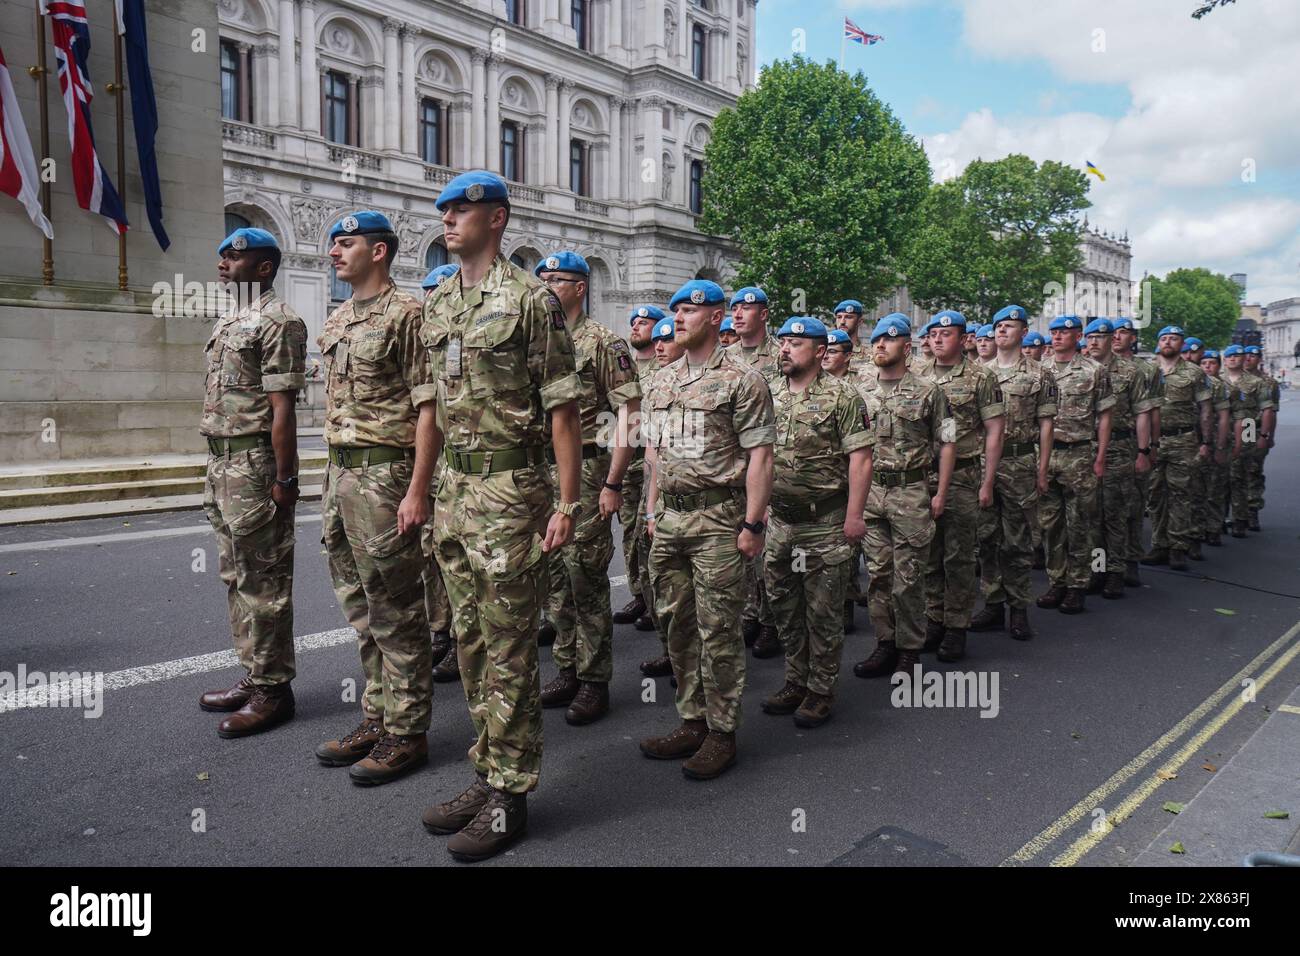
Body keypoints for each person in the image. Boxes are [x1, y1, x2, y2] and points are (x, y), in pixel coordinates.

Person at [418, 171, 582, 861]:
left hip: (513, 494)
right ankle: (487, 775)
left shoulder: (527, 302)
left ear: (498, 219)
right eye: (446, 210)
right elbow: (429, 407)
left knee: (511, 650)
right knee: (472, 644)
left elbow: (563, 407)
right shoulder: (439, 302)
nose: (449, 218)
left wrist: (568, 502)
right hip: (457, 496)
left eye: (463, 209)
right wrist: (423, 490)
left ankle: (510, 797)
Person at [313, 211, 437, 786]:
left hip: (387, 479)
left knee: (396, 609)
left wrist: (418, 490)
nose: (335, 251)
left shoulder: (408, 314)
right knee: (360, 610)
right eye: (334, 243)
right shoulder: (339, 318)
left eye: (347, 243)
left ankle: (408, 732)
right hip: (339, 478)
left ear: (380, 251)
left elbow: (429, 408)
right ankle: (378, 715)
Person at [640, 279, 775, 780]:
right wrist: (652, 510)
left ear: (716, 318)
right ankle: (692, 720)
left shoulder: (743, 380)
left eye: (690, 311)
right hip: (670, 518)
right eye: (675, 310)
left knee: (718, 628)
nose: (678, 317)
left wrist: (753, 523)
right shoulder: (660, 379)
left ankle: (722, 732)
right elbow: (656, 454)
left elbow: (761, 456)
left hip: (719, 520)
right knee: (674, 623)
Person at [198, 227, 306, 738]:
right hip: (221, 465)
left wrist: (285, 478)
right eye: (222, 254)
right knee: (235, 578)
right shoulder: (229, 319)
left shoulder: (279, 321)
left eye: (234, 255)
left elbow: (282, 410)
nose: (223, 261)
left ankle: (274, 690)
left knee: (264, 582)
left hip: (254, 465)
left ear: (263, 268)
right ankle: (254, 673)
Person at [535, 251, 641, 726]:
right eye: (541, 278)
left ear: (580, 287)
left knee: (585, 577)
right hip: (541, 475)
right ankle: (567, 666)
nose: (545, 285)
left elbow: (630, 416)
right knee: (554, 577)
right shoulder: (536, 341)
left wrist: (615, 482)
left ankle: (594, 679)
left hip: (592, 470)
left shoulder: (603, 343)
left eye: (555, 279)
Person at [761, 317, 873, 728]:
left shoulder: (843, 396)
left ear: (820, 352)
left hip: (823, 521)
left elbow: (860, 459)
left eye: (796, 343)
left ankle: (820, 689)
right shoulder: (770, 392)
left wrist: (854, 516)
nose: (785, 348)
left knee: (822, 612)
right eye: (784, 341)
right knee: (784, 608)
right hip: (780, 522)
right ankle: (795, 678)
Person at [853, 314, 955, 679]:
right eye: (877, 340)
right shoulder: (860, 390)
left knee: (909, 577)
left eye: (889, 340)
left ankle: (910, 649)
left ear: (906, 348)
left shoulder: (931, 392)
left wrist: (940, 492)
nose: (880, 345)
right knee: (878, 575)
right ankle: (885, 642)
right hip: (872, 491)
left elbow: (946, 442)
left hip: (911, 491)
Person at [913, 310, 1004, 661]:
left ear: (964, 339)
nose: (937, 339)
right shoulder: (917, 375)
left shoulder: (981, 378)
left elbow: (995, 431)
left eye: (946, 334)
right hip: (922, 476)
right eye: (933, 333)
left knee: (959, 555)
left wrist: (987, 481)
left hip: (964, 476)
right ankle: (934, 617)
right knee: (929, 554)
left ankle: (956, 626)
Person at [970, 305, 1054, 641]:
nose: (1002, 332)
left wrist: (1043, 468)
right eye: (998, 326)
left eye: (1010, 326)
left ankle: (1018, 608)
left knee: (1018, 541)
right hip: (981, 464)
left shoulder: (1039, 374)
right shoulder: (979, 373)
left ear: (1023, 332)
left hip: (1020, 463)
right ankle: (993, 602)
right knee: (986, 537)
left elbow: (1046, 425)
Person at [1037, 316, 1113, 614]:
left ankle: (1078, 584)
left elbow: (1105, 416)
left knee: (1080, 523)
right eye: (1054, 332)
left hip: (1079, 453)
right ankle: (1057, 581)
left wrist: (1100, 456)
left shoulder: (1095, 371)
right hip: (1046, 454)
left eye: (1064, 332)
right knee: (1049, 524)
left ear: (1078, 336)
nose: (1057, 337)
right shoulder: (1039, 370)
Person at [725, 286, 780, 658]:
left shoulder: (781, 355)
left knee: (769, 549)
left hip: (771, 462)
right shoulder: (724, 358)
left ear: (763, 314)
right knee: (739, 545)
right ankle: (747, 614)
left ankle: (771, 620)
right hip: (734, 468)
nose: (739, 314)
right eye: (735, 308)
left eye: (748, 308)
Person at [1084, 318, 1157, 598]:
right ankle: (1097, 568)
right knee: (1090, 514)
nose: (1094, 342)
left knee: (1114, 513)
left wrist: (1143, 451)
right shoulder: (1080, 369)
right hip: (1085, 448)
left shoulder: (1130, 371)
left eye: (1100, 337)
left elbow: (1143, 414)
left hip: (1119, 447)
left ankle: (1116, 570)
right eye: (1089, 337)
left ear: (1111, 339)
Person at [1141, 325, 1212, 571]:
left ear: (1181, 344)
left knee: (1181, 494)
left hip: (1183, 440)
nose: (1168, 342)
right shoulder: (1146, 370)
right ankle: (1159, 544)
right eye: (1164, 338)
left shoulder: (1194, 373)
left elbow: (1205, 410)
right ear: (1158, 342)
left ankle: (1178, 546)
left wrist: (1205, 442)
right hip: (1153, 441)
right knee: (1155, 494)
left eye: (1174, 339)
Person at [614, 305, 667, 633]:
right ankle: (638, 593)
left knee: (648, 535)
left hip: (653, 464)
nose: (635, 327)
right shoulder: (627, 368)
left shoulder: (663, 368)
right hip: (627, 463)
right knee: (630, 536)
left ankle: (654, 600)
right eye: (633, 322)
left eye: (643, 323)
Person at [420, 263, 459, 679]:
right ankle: (439, 632)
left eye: (437, 291)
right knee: (429, 556)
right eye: (426, 291)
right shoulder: (423, 343)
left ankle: (460, 638)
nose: (430, 298)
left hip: (460, 470)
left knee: (454, 558)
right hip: (427, 470)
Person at [1112, 317, 1162, 585]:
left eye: (1124, 332)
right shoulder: (1096, 365)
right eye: (1114, 332)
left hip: (1131, 443)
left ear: (1134, 338)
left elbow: (1152, 411)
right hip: (1099, 447)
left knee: (1132, 505)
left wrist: (1150, 447)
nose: (1117, 337)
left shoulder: (1147, 370)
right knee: (1101, 510)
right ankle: (1103, 564)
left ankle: (1130, 560)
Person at [1221, 344, 1265, 538]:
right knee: (1220, 478)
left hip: (1248, 428)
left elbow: (1267, 410)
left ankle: (1243, 517)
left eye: (1238, 356)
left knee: (1242, 474)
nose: (1234, 359)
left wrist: (1263, 436)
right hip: (1222, 430)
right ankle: (1218, 519)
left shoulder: (1257, 382)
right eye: (1230, 356)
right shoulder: (1218, 381)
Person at [1243, 345, 1279, 530]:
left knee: (1252, 469)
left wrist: (1268, 436)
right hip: (1234, 427)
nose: (1248, 358)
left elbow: (1271, 411)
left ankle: (1251, 510)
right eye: (1245, 355)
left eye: (1253, 356)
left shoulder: (1269, 382)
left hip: (1252, 426)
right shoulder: (1232, 377)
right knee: (1230, 472)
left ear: (1259, 359)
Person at [1198, 349, 1232, 546]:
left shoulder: (1221, 386)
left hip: (1218, 439)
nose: (1207, 367)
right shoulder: (1195, 383)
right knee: (1198, 488)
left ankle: (1214, 528)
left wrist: (1220, 446)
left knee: (1216, 488)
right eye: (1204, 363)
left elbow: (1226, 417)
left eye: (1212, 363)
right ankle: (1201, 527)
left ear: (1219, 366)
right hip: (1198, 440)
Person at [833, 299, 872, 370]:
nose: (842, 322)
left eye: (848, 317)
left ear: (860, 321)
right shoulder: (824, 353)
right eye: (839, 317)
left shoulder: (870, 355)